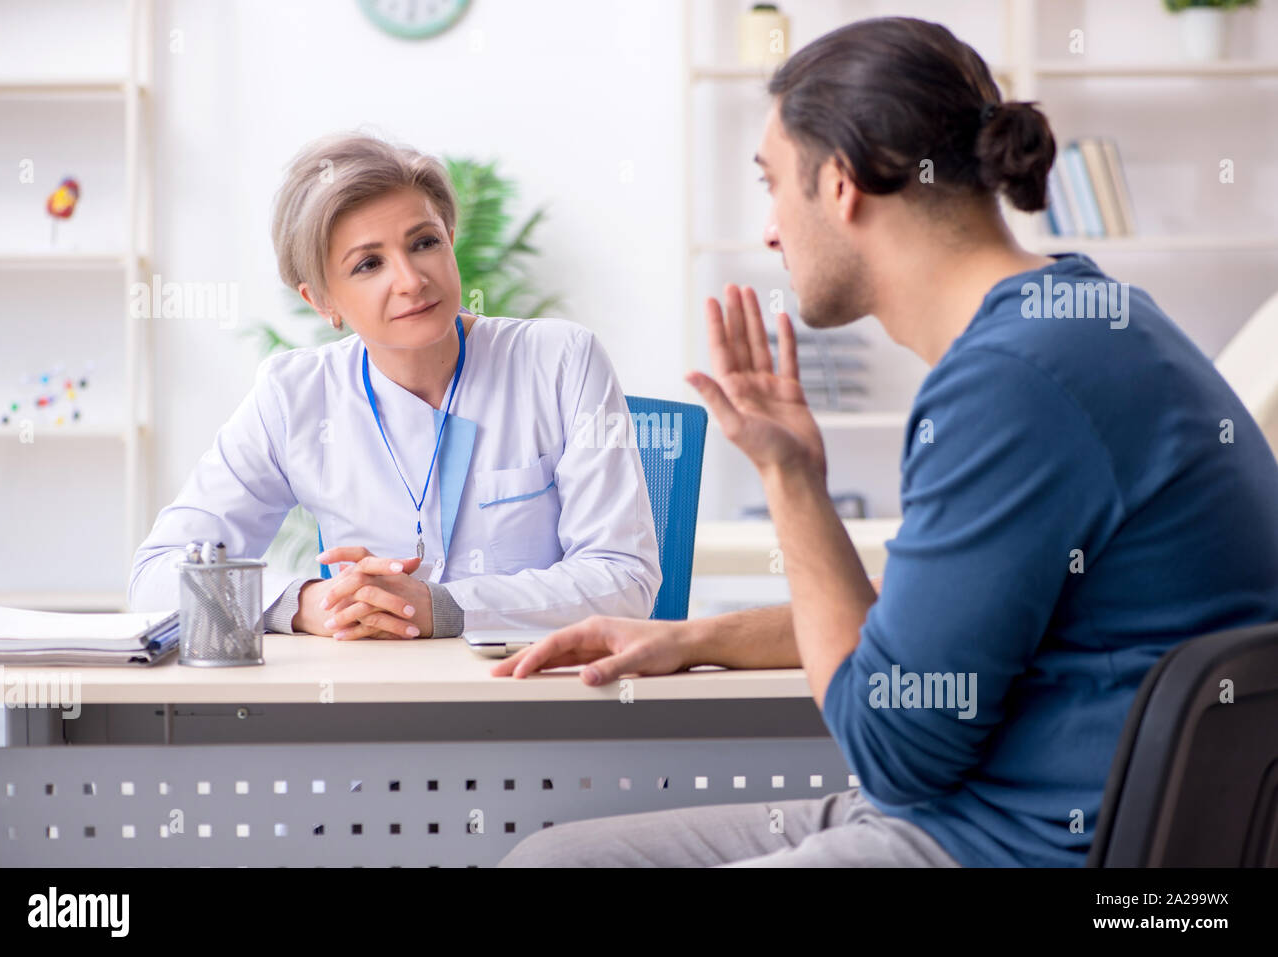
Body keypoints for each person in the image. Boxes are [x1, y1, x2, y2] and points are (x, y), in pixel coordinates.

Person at [493, 16, 1278, 867]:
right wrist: (697, 637)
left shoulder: (1014, 382)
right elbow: (923, 617)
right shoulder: (1088, 318)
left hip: (1005, 846)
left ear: (840, 183)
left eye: (772, 184)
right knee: (554, 859)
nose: (767, 230)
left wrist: (787, 477)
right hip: (977, 810)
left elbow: (891, 750)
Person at [129, 132, 660, 639]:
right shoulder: (294, 396)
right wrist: (305, 603)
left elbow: (624, 579)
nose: (410, 280)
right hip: (369, 698)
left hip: (536, 695)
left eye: (424, 242)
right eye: (368, 264)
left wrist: (443, 607)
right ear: (321, 302)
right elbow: (156, 577)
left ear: (450, 241)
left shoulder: (561, 361)